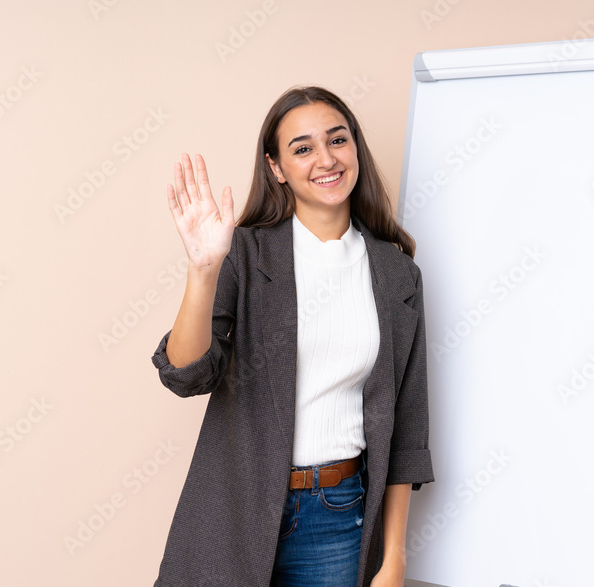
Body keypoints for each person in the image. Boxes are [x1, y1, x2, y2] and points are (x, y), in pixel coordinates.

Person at [149, 85, 433, 587]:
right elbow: (187, 373)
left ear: (356, 150)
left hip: (338, 516)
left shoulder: (396, 274)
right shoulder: (247, 253)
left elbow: (407, 427)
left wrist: (395, 560)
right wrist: (203, 270)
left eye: (337, 140)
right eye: (302, 148)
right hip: (237, 506)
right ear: (277, 167)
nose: (326, 159)